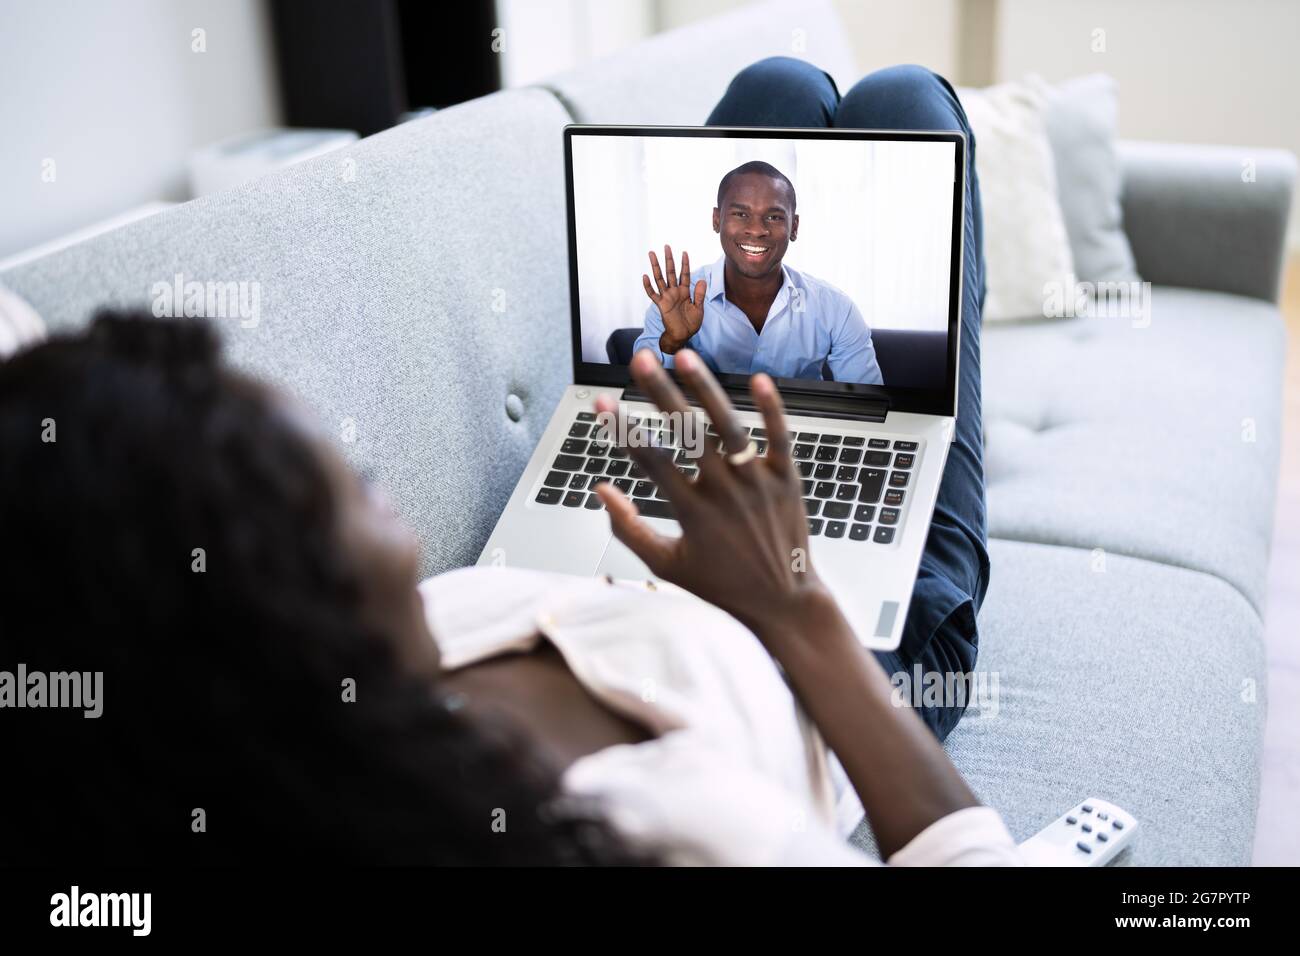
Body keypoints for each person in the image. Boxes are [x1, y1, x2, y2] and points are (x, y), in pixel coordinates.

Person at [0, 58, 999, 865]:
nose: (386, 491)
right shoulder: (687, 827)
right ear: (294, 612)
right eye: (360, 493)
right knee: (911, 101)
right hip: (823, 650)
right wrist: (799, 606)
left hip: (648, 532)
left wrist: (675, 359)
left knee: (777, 87)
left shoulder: (327, 686)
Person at [632, 160, 883, 384]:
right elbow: (641, 393)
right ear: (716, 220)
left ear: (794, 227)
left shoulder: (835, 308)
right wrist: (672, 342)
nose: (756, 229)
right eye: (741, 214)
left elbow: (869, 404)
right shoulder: (676, 299)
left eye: (773, 217)